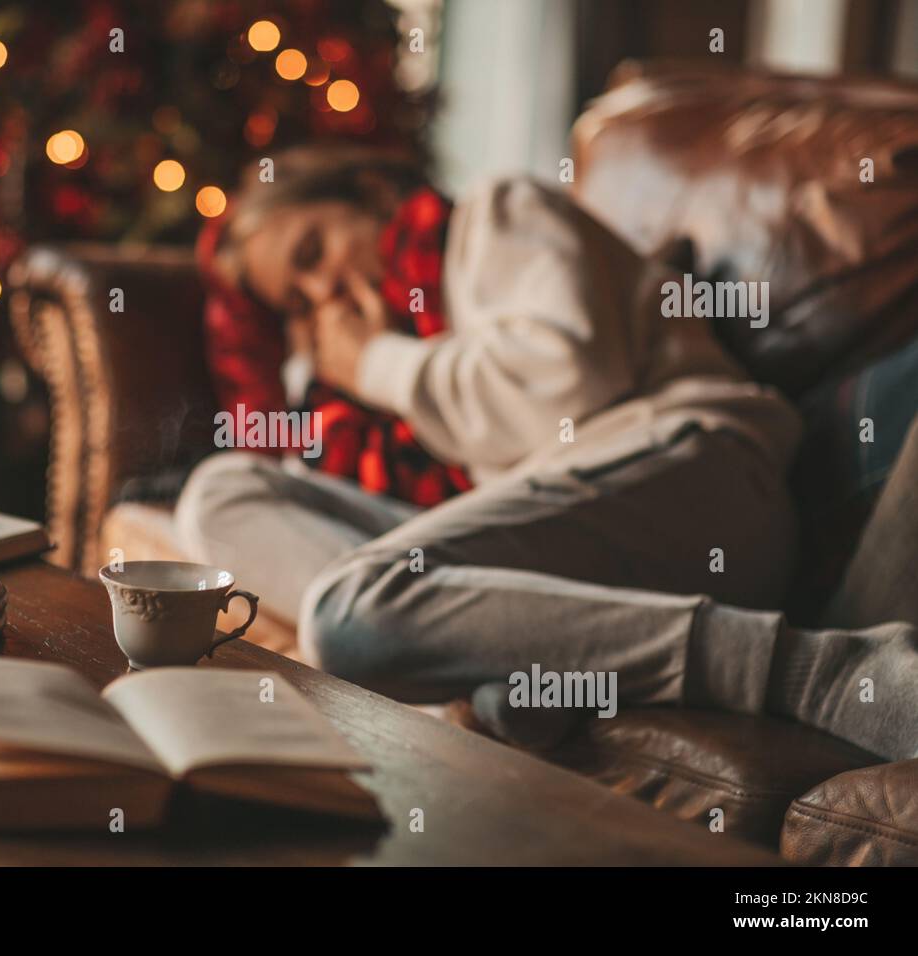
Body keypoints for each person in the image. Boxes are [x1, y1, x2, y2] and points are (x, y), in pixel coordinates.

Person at [176, 147, 918, 762]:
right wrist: (343, 374)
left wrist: (376, 363)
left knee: (350, 612)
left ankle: (817, 672)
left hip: (694, 473)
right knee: (221, 493)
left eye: (314, 253)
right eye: (298, 304)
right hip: (565, 555)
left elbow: (568, 384)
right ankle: (495, 664)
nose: (323, 293)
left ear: (370, 194)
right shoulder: (396, 382)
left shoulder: (496, 217)